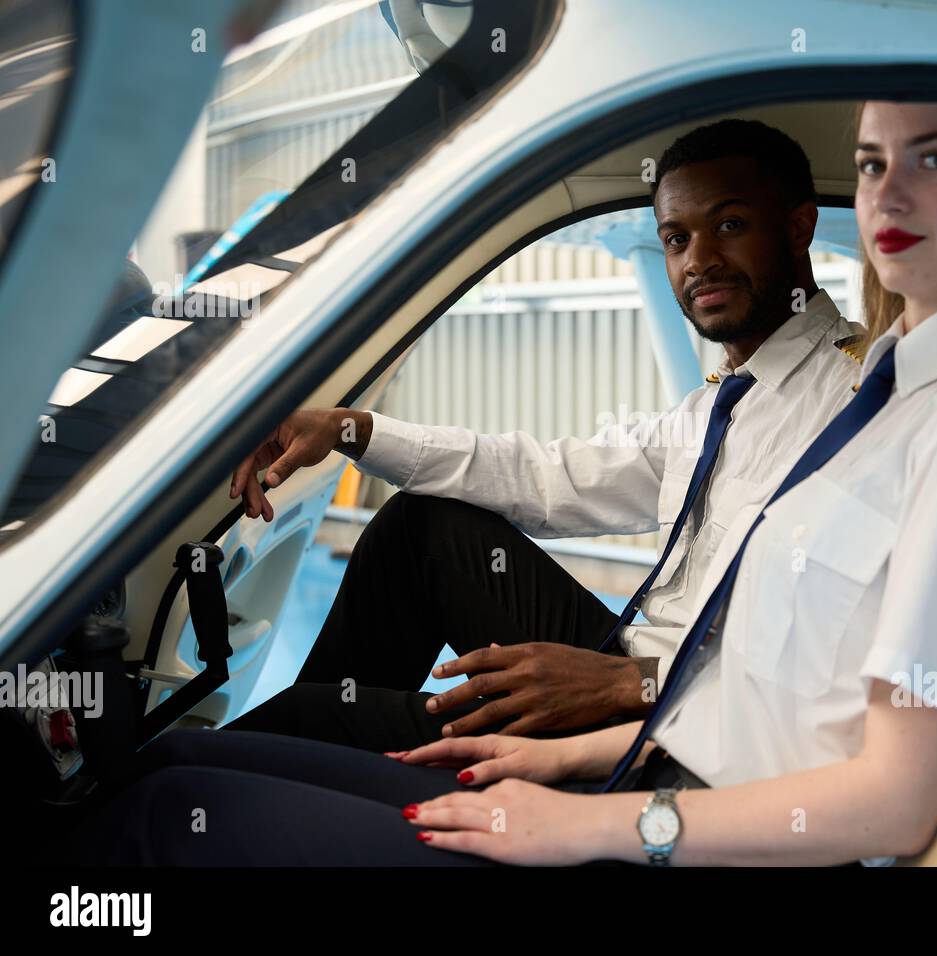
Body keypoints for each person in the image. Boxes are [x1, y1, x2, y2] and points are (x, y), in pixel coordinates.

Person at [63, 99, 937, 866]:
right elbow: (762, 676)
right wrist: (595, 752)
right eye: (874, 162)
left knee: (170, 815)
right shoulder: (875, 399)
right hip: (650, 761)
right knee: (176, 779)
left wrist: (594, 791)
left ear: (799, 227)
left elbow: (882, 790)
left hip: (680, 812)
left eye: (932, 160)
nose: (887, 193)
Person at [223, 119, 867, 749]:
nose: (698, 261)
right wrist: (349, 428)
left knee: (311, 721)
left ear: (798, 227)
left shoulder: (854, 403)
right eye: (675, 238)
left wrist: (630, 683)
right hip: (645, 669)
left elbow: (829, 657)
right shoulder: (716, 408)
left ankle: (266, 773)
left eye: (729, 226)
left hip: (687, 723)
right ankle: (317, 768)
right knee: (419, 530)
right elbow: (544, 478)